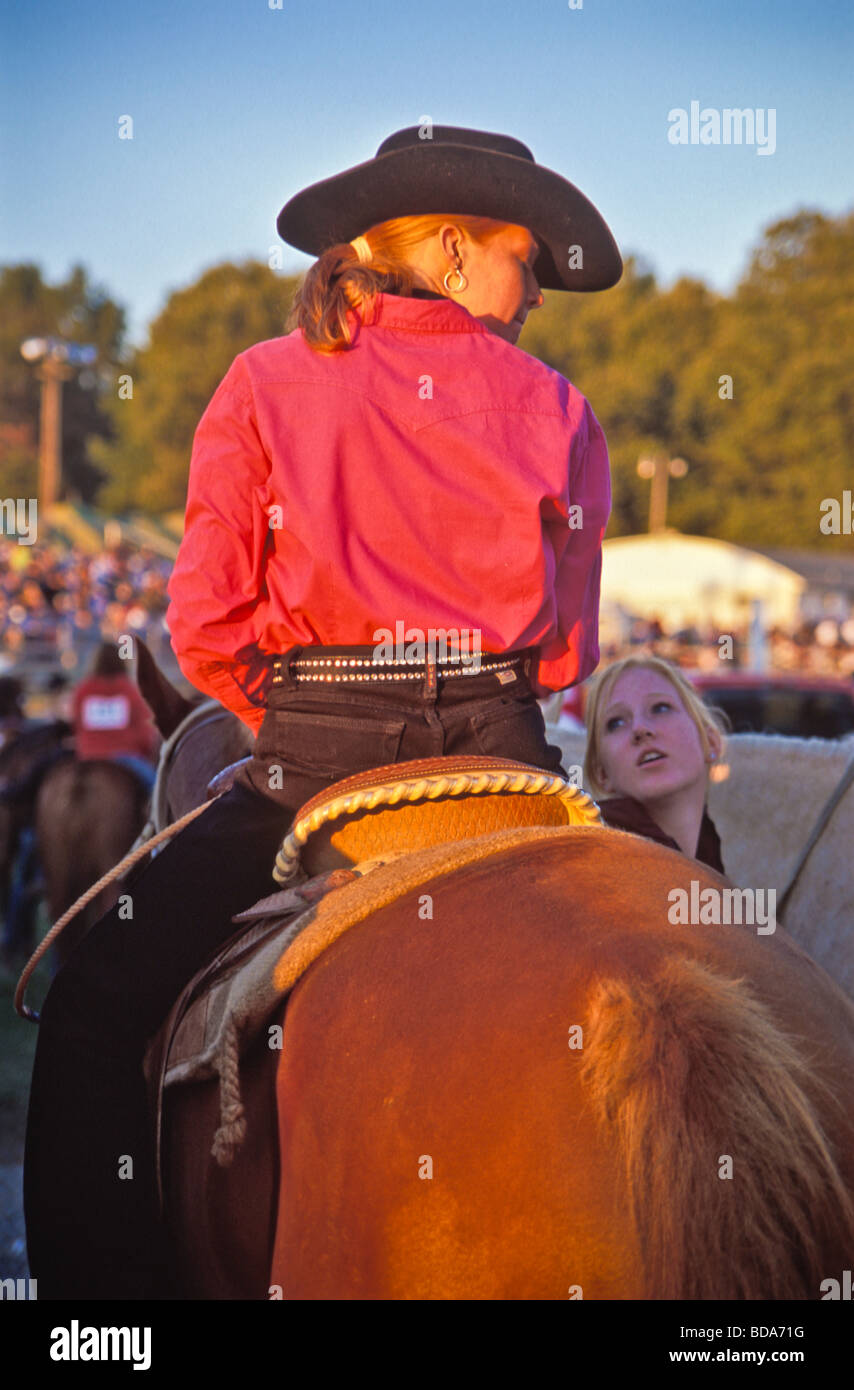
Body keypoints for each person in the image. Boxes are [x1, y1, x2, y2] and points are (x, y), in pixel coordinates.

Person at [24, 124, 622, 1299]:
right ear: (452, 249)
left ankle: (100, 1332)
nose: (537, 290)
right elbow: (562, 654)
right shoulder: (559, 406)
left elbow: (203, 623)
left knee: (92, 1005)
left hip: (316, 770)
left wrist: (290, 710)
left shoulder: (263, 380)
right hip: (509, 761)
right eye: (524, 260)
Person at [582, 655, 728, 871]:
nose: (640, 728)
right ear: (601, 773)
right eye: (616, 723)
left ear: (710, 742)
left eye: (660, 708)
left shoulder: (710, 853)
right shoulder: (589, 856)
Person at [71, 641, 159, 792]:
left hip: (87, 756)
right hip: (124, 758)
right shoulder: (129, 691)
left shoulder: (83, 690)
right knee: (158, 789)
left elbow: (76, 725)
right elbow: (144, 733)